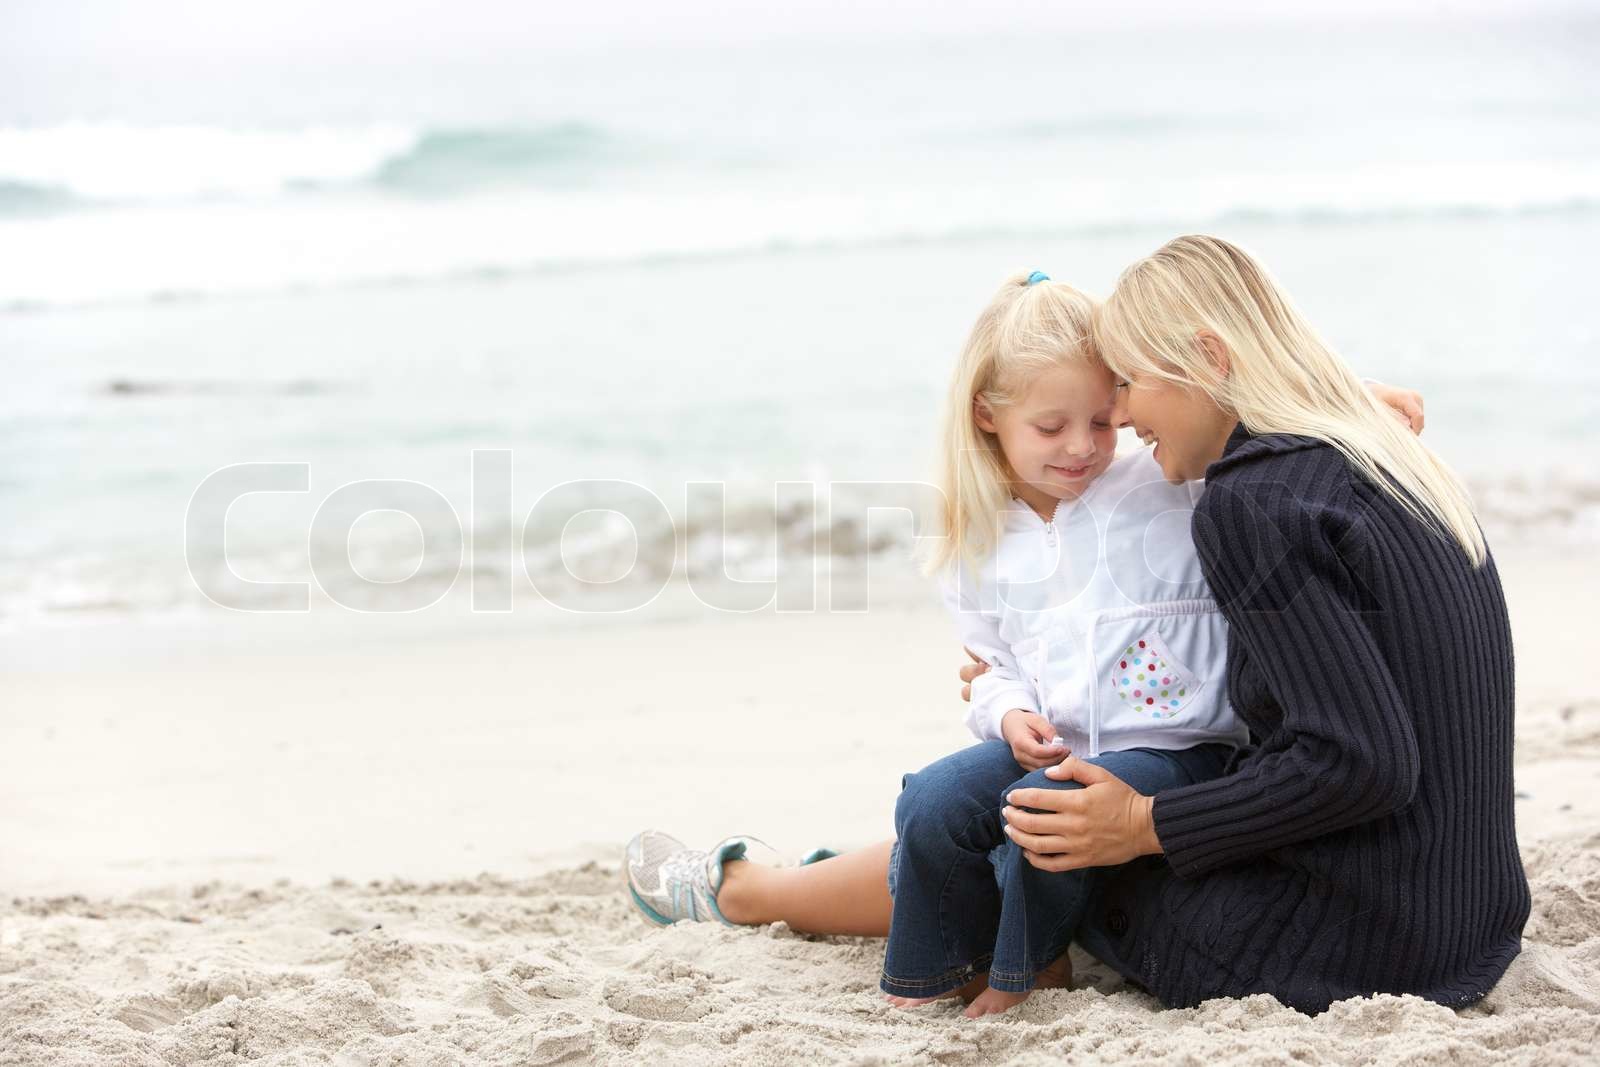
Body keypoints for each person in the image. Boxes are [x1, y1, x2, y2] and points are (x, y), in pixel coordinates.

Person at [622, 249, 1452, 1017]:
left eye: (1105, 419)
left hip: (1182, 752)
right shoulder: (976, 538)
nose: (1085, 447)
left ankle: (990, 958)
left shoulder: (1161, 482)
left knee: (1038, 817)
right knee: (934, 801)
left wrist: (1352, 399)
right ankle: (919, 963)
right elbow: (991, 664)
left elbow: (1245, 416)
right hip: (1061, 747)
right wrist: (1006, 709)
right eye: (1052, 428)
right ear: (987, 415)